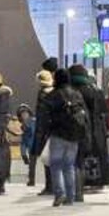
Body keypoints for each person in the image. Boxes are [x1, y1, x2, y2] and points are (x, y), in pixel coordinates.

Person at [38, 69, 85, 206]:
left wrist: (45, 132)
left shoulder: (54, 95)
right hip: (74, 135)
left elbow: (46, 115)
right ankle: (71, 196)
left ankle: (60, 194)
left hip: (58, 134)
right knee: (69, 166)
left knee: (56, 165)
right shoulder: (77, 93)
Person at [70, 64, 109, 189]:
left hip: (80, 128)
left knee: (80, 156)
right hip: (98, 128)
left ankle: (82, 182)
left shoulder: (72, 91)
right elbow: (104, 110)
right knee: (96, 153)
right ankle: (97, 180)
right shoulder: (96, 90)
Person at [29, 69, 56, 191]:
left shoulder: (43, 94)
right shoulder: (55, 92)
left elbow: (42, 116)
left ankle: (49, 186)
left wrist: (39, 134)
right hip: (53, 131)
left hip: (45, 132)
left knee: (47, 160)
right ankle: (54, 185)